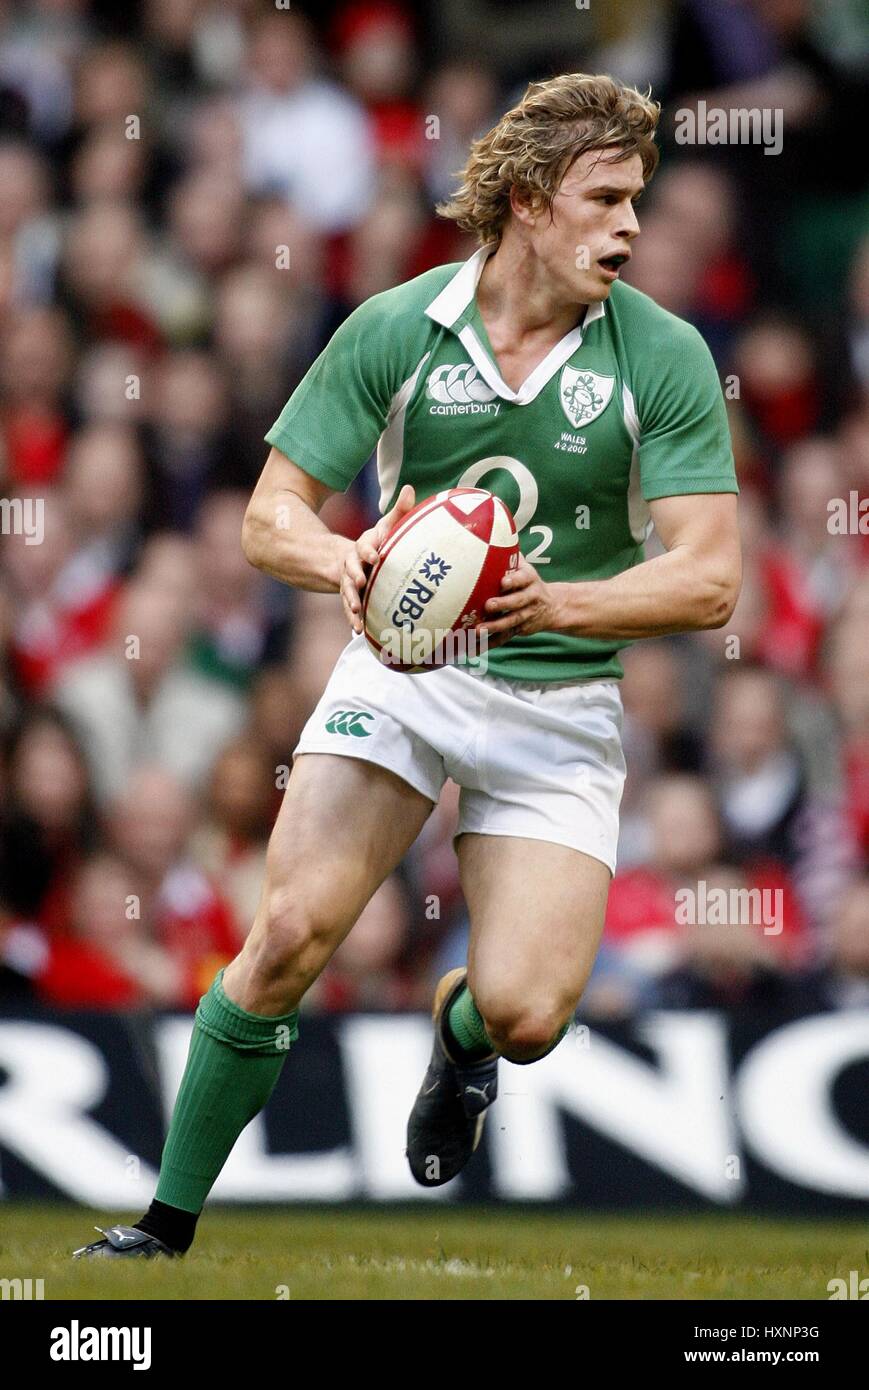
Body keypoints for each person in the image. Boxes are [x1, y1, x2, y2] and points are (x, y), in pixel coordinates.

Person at [74, 71, 740, 1259]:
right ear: (530, 201)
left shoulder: (665, 355)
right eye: (607, 200)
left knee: (532, 1013)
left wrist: (561, 600)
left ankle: (465, 1040)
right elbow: (266, 516)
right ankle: (163, 1230)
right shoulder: (394, 328)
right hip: (402, 673)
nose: (633, 228)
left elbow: (709, 577)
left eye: (637, 201)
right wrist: (341, 562)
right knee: (283, 934)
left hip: (558, 698)